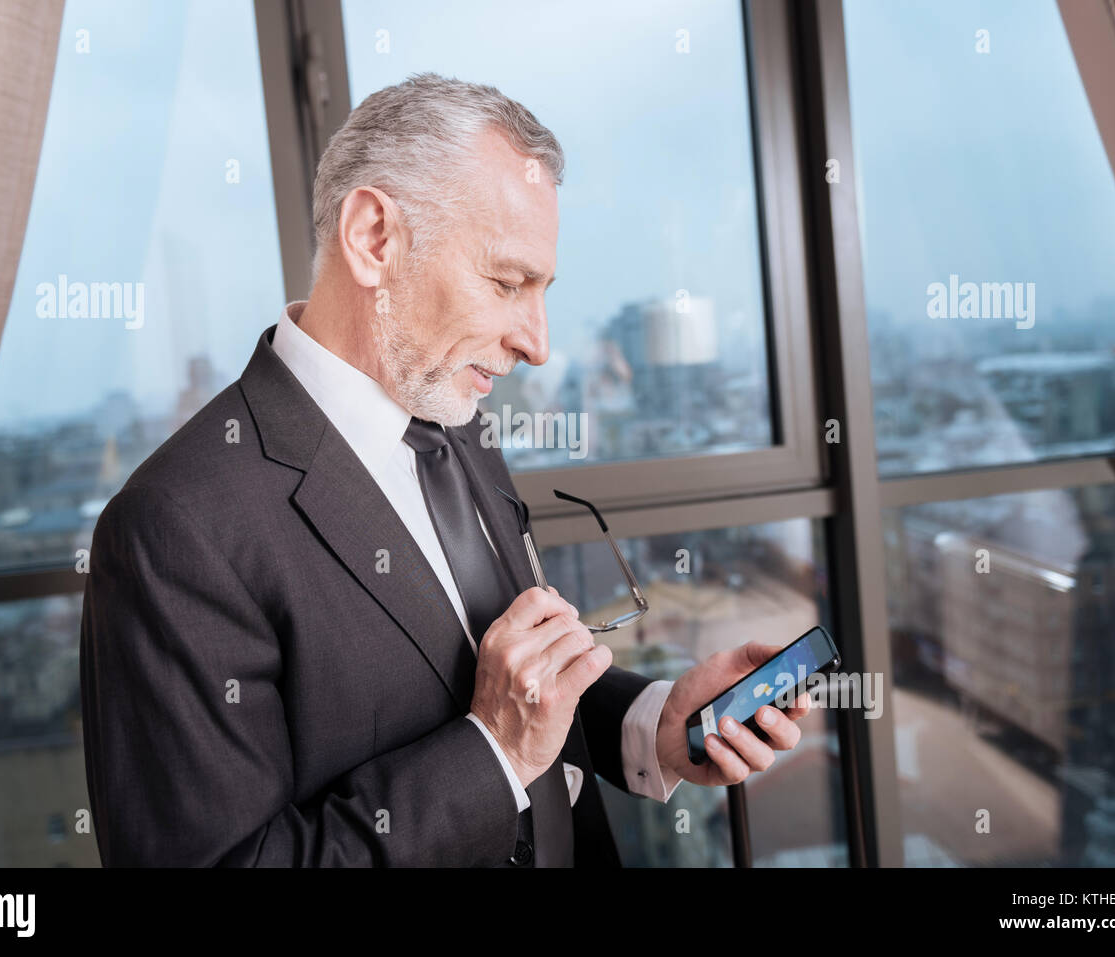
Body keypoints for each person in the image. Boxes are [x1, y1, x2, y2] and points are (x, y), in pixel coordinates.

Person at [79, 72, 809, 867]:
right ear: (374, 239)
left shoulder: (454, 419)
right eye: (506, 283)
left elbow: (501, 678)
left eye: (542, 290)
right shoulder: (174, 530)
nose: (538, 343)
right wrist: (490, 753)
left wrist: (654, 725)